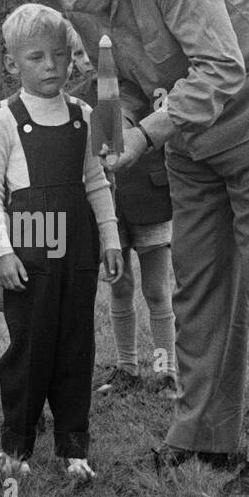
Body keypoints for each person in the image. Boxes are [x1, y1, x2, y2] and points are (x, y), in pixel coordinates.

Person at [0, 0, 249, 485]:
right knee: (197, 276)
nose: (70, 5)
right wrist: (119, 126)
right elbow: (125, 86)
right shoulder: (88, 3)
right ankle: (204, 436)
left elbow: (221, 67)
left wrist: (146, 134)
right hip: (187, 127)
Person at [0, 5, 122, 485]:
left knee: (76, 346)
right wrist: (3, 251)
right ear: (12, 64)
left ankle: (74, 448)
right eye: (37, 57)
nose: (51, 67)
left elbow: (96, 181)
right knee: (31, 346)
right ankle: (15, 445)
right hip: (31, 247)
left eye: (59, 56)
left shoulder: (83, 116)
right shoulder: (3, 119)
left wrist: (111, 239)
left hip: (78, 248)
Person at [67, 24, 178, 399]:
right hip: (107, 211)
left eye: (95, 56)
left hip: (150, 199)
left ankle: (166, 371)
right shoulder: (75, 101)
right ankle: (126, 367)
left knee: (157, 289)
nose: (88, 63)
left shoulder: (147, 91)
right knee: (120, 286)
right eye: (80, 55)